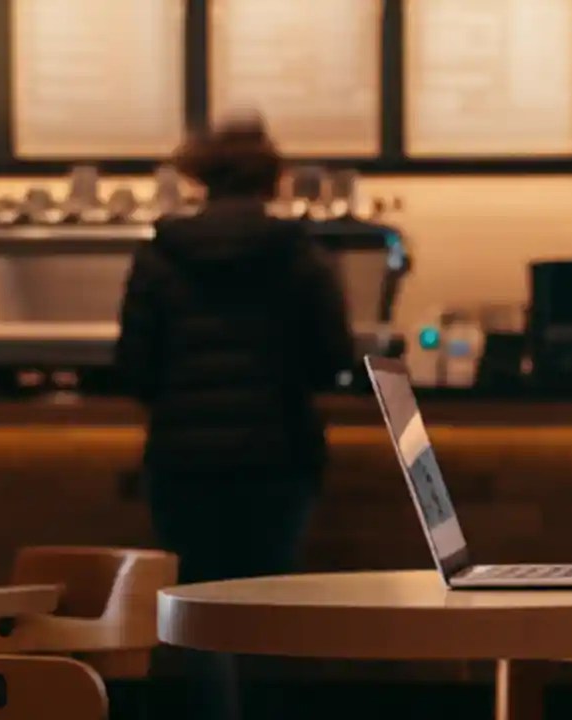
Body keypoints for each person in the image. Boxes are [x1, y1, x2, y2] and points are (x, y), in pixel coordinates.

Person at [115, 117, 353, 718]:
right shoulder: (299, 255)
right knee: (270, 608)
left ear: (201, 179)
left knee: (199, 609)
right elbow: (332, 362)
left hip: (182, 459)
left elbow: (133, 367)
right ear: (271, 181)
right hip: (277, 457)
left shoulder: (159, 253)